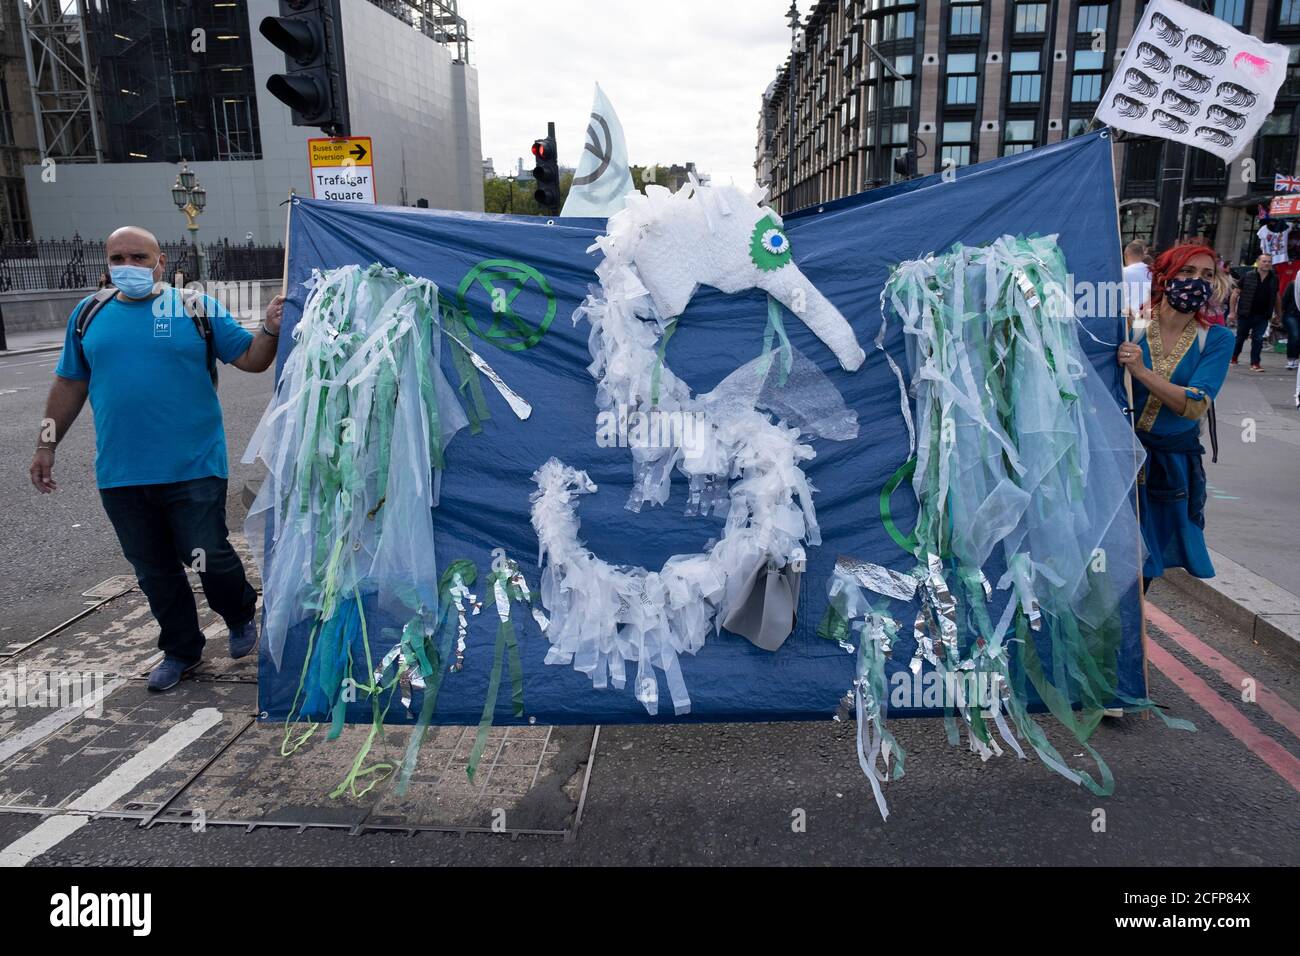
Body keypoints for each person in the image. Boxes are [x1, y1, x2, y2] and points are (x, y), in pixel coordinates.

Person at [30, 226, 286, 692]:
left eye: (139, 257)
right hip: (121, 473)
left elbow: (250, 359)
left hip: (194, 466)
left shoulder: (193, 307)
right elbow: (69, 382)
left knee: (206, 554)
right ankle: (181, 650)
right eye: (118, 258)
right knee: (153, 571)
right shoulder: (89, 315)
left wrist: (269, 327)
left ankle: (239, 610)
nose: (128, 266)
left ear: (160, 261)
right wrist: (46, 442)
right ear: (106, 263)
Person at [1117, 244, 1233, 591]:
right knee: (1111, 564)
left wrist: (1141, 371)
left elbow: (1196, 404)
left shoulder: (1216, 339)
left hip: (1168, 468)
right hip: (1120, 462)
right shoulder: (1132, 324)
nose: (1196, 282)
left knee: (1144, 571)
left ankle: (1130, 644)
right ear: (1165, 276)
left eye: (1206, 275)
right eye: (1187, 272)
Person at [1229, 253, 1277, 371]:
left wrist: (1279, 314)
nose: (1267, 264)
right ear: (1258, 262)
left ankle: (1255, 363)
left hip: (1263, 314)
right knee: (1241, 337)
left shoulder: (1274, 279)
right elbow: (1235, 294)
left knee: (1258, 338)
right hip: (1246, 313)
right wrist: (1232, 312)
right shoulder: (1247, 276)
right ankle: (1234, 357)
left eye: (1269, 261)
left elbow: (1277, 297)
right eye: (1264, 261)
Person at [1121, 239, 1152, 320]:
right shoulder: (1153, 272)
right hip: (1149, 318)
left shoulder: (1122, 273)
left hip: (1129, 320)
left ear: (1126, 254)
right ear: (1142, 256)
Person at [1281, 271, 1300, 371]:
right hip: (1292, 314)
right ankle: (1292, 359)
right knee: (1295, 335)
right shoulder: (1292, 285)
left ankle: (1295, 359)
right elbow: (1284, 300)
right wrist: (1280, 315)